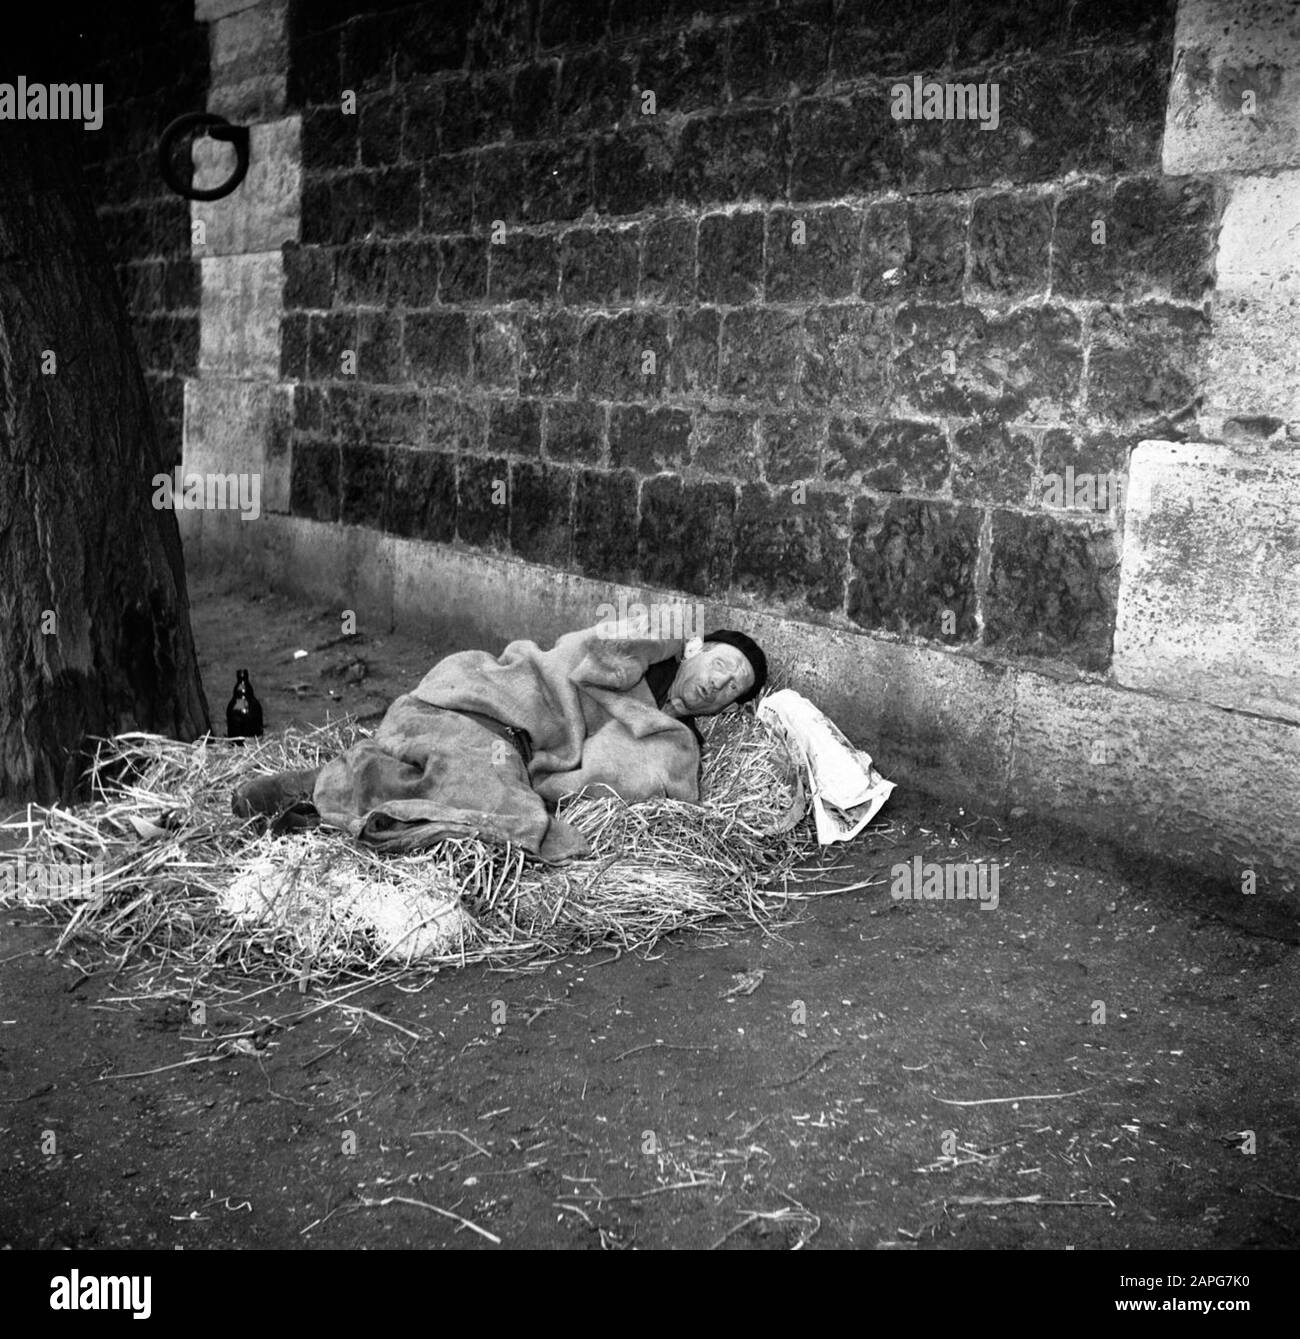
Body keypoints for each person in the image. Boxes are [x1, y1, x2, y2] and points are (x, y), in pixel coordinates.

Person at [232, 618, 767, 864]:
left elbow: (631, 780)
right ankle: (331, 790)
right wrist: (673, 632)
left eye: (733, 686)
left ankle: (326, 789)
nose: (718, 683)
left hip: (510, 755)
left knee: (502, 807)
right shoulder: (646, 651)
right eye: (720, 663)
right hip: (495, 697)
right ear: (698, 648)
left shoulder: (678, 741)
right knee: (509, 816)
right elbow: (595, 648)